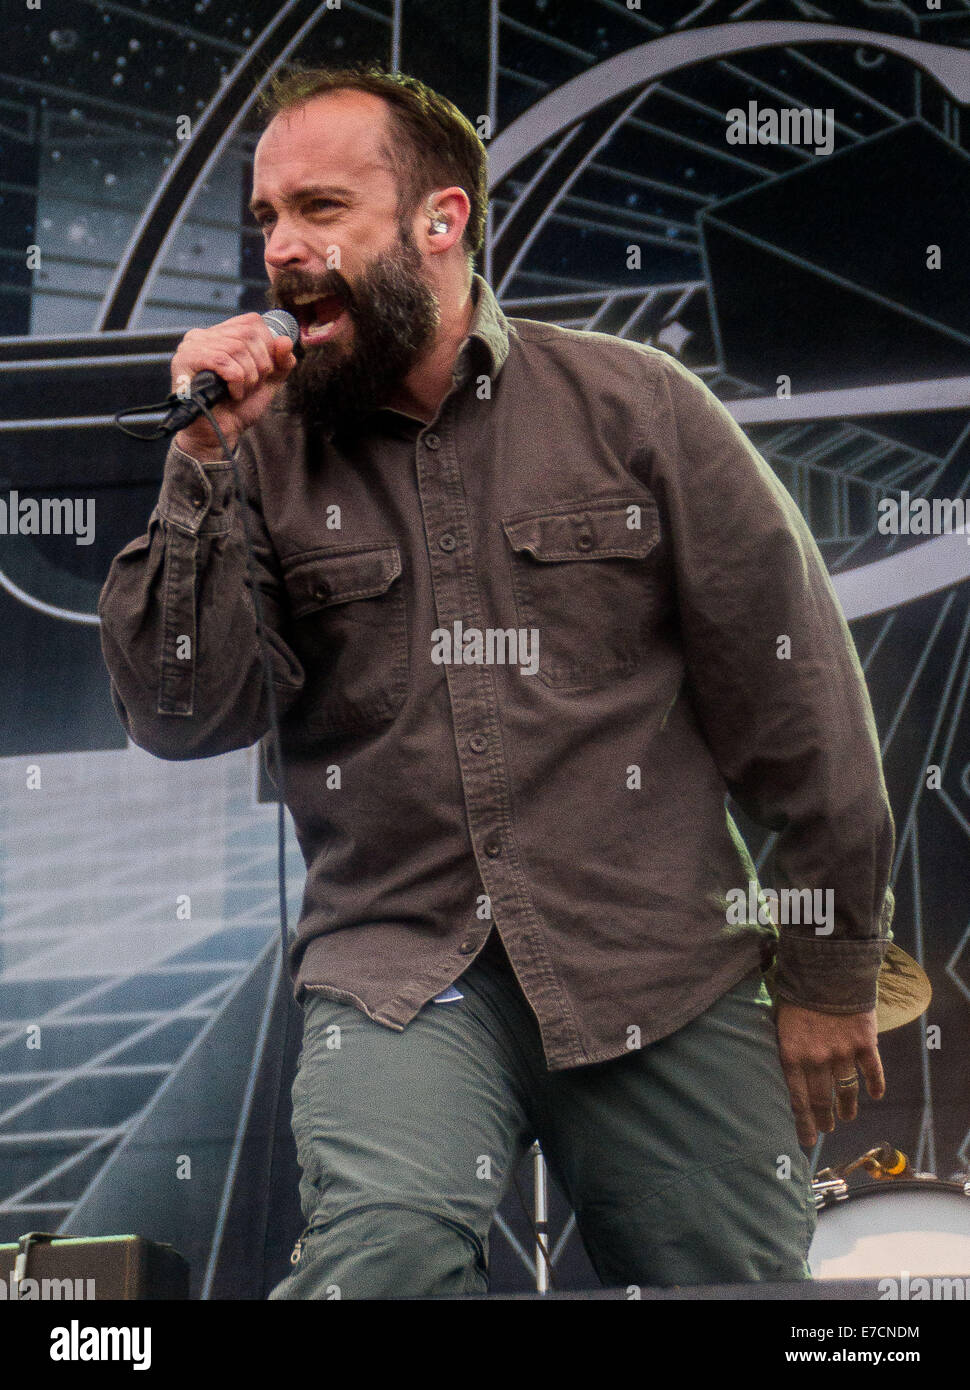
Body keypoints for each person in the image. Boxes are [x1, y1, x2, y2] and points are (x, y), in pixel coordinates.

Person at [98, 65, 896, 1298]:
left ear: (441, 219)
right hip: (401, 973)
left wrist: (831, 971)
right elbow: (175, 711)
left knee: (738, 1283)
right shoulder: (255, 459)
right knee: (385, 1260)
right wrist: (201, 460)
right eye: (265, 220)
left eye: (320, 209)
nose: (283, 250)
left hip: (657, 963)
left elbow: (798, 698)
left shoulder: (636, 407)